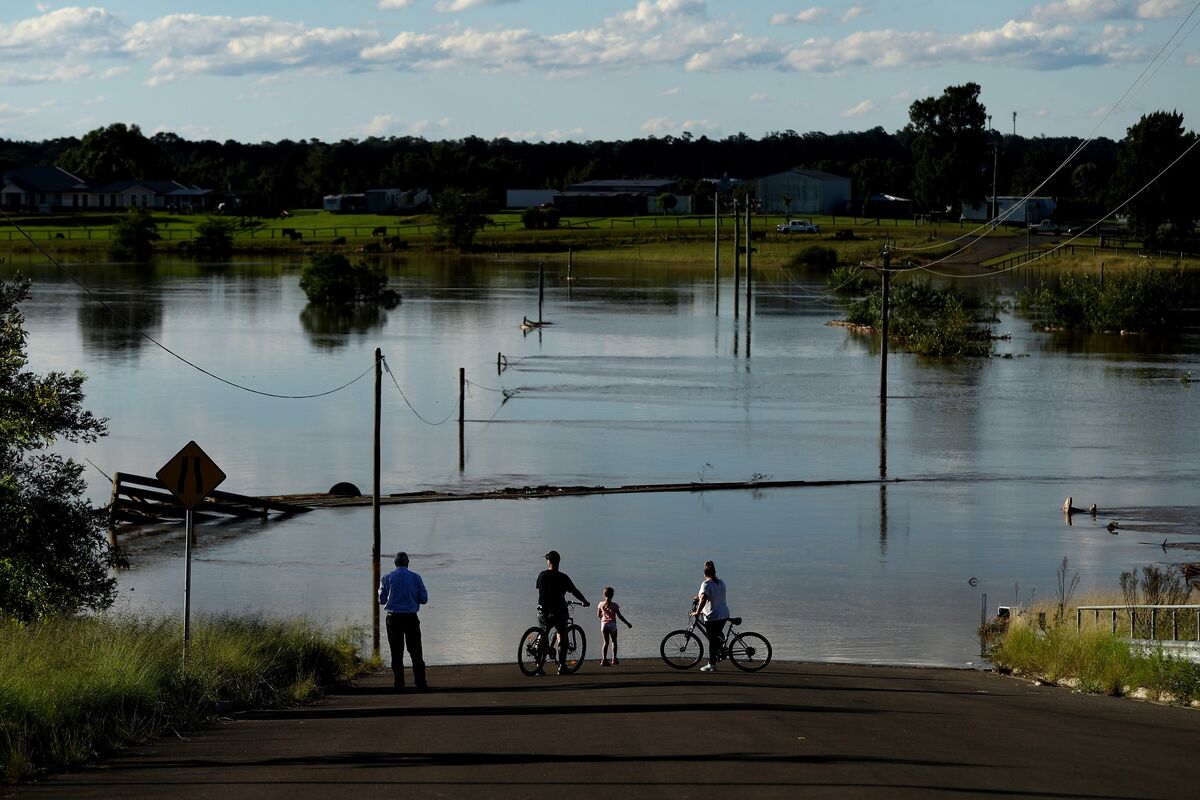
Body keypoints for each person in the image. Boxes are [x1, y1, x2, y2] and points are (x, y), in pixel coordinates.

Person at [378, 551, 429, 691]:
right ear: (408, 563)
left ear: (395, 563)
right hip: (411, 617)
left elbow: (381, 600)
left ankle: (399, 683)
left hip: (393, 618)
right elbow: (424, 599)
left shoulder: (387, 577)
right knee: (416, 652)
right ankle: (420, 682)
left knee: (396, 652)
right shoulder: (415, 577)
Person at [536, 550, 589, 674]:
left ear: (548, 561)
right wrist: (584, 601)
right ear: (558, 562)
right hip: (558, 610)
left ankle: (539, 666)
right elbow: (575, 591)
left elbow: (540, 590)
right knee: (562, 637)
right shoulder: (563, 577)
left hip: (542, 609)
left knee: (543, 634)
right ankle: (562, 667)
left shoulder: (542, 575)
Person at [691, 560, 729, 672]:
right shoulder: (721, 582)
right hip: (724, 614)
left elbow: (704, 599)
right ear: (715, 572)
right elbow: (713, 595)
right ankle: (720, 651)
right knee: (717, 635)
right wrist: (697, 598)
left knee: (712, 641)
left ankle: (712, 664)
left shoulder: (705, 584)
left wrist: (697, 612)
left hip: (713, 616)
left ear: (704, 574)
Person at [596, 586, 633, 666]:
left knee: (605, 642)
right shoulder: (614, 605)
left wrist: (603, 619)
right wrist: (627, 623)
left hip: (604, 625)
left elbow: (598, 615)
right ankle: (614, 659)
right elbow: (620, 616)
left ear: (604, 594)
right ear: (612, 595)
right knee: (614, 641)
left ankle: (604, 660)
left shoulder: (600, 604)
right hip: (612, 625)